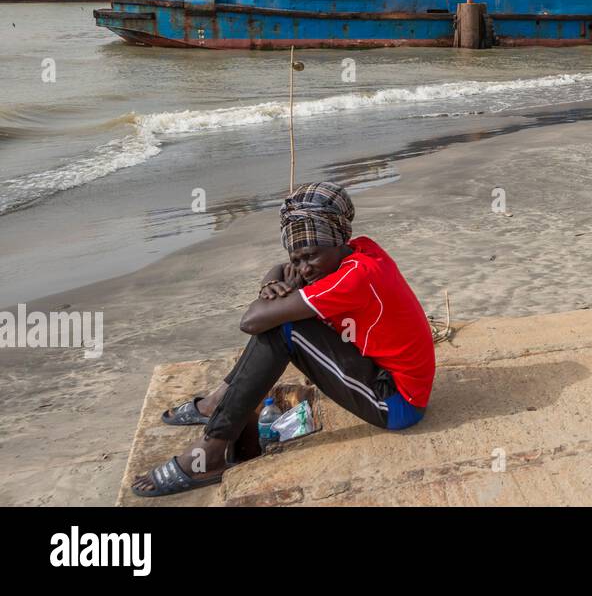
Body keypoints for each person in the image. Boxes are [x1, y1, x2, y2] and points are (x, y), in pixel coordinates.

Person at [131, 182, 435, 498]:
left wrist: (270, 294)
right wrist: (272, 284)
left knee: (284, 328)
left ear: (337, 240)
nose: (304, 268)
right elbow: (280, 270)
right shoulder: (356, 250)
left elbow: (250, 321)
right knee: (281, 320)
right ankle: (217, 404)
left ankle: (210, 448)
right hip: (379, 372)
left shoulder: (354, 277)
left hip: (397, 403)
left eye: (311, 256)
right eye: (298, 258)